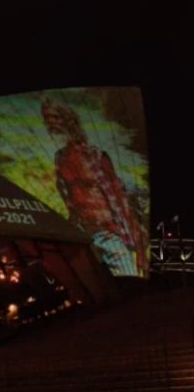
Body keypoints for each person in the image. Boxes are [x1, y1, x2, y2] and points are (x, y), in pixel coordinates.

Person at [41, 98, 148, 275]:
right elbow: (71, 205)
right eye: (47, 119)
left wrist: (139, 246)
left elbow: (121, 202)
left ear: (68, 120)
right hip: (87, 239)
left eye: (55, 117)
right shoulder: (60, 159)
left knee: (129, 284)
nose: (51, 123)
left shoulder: (95, 156)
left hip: (111, 236)